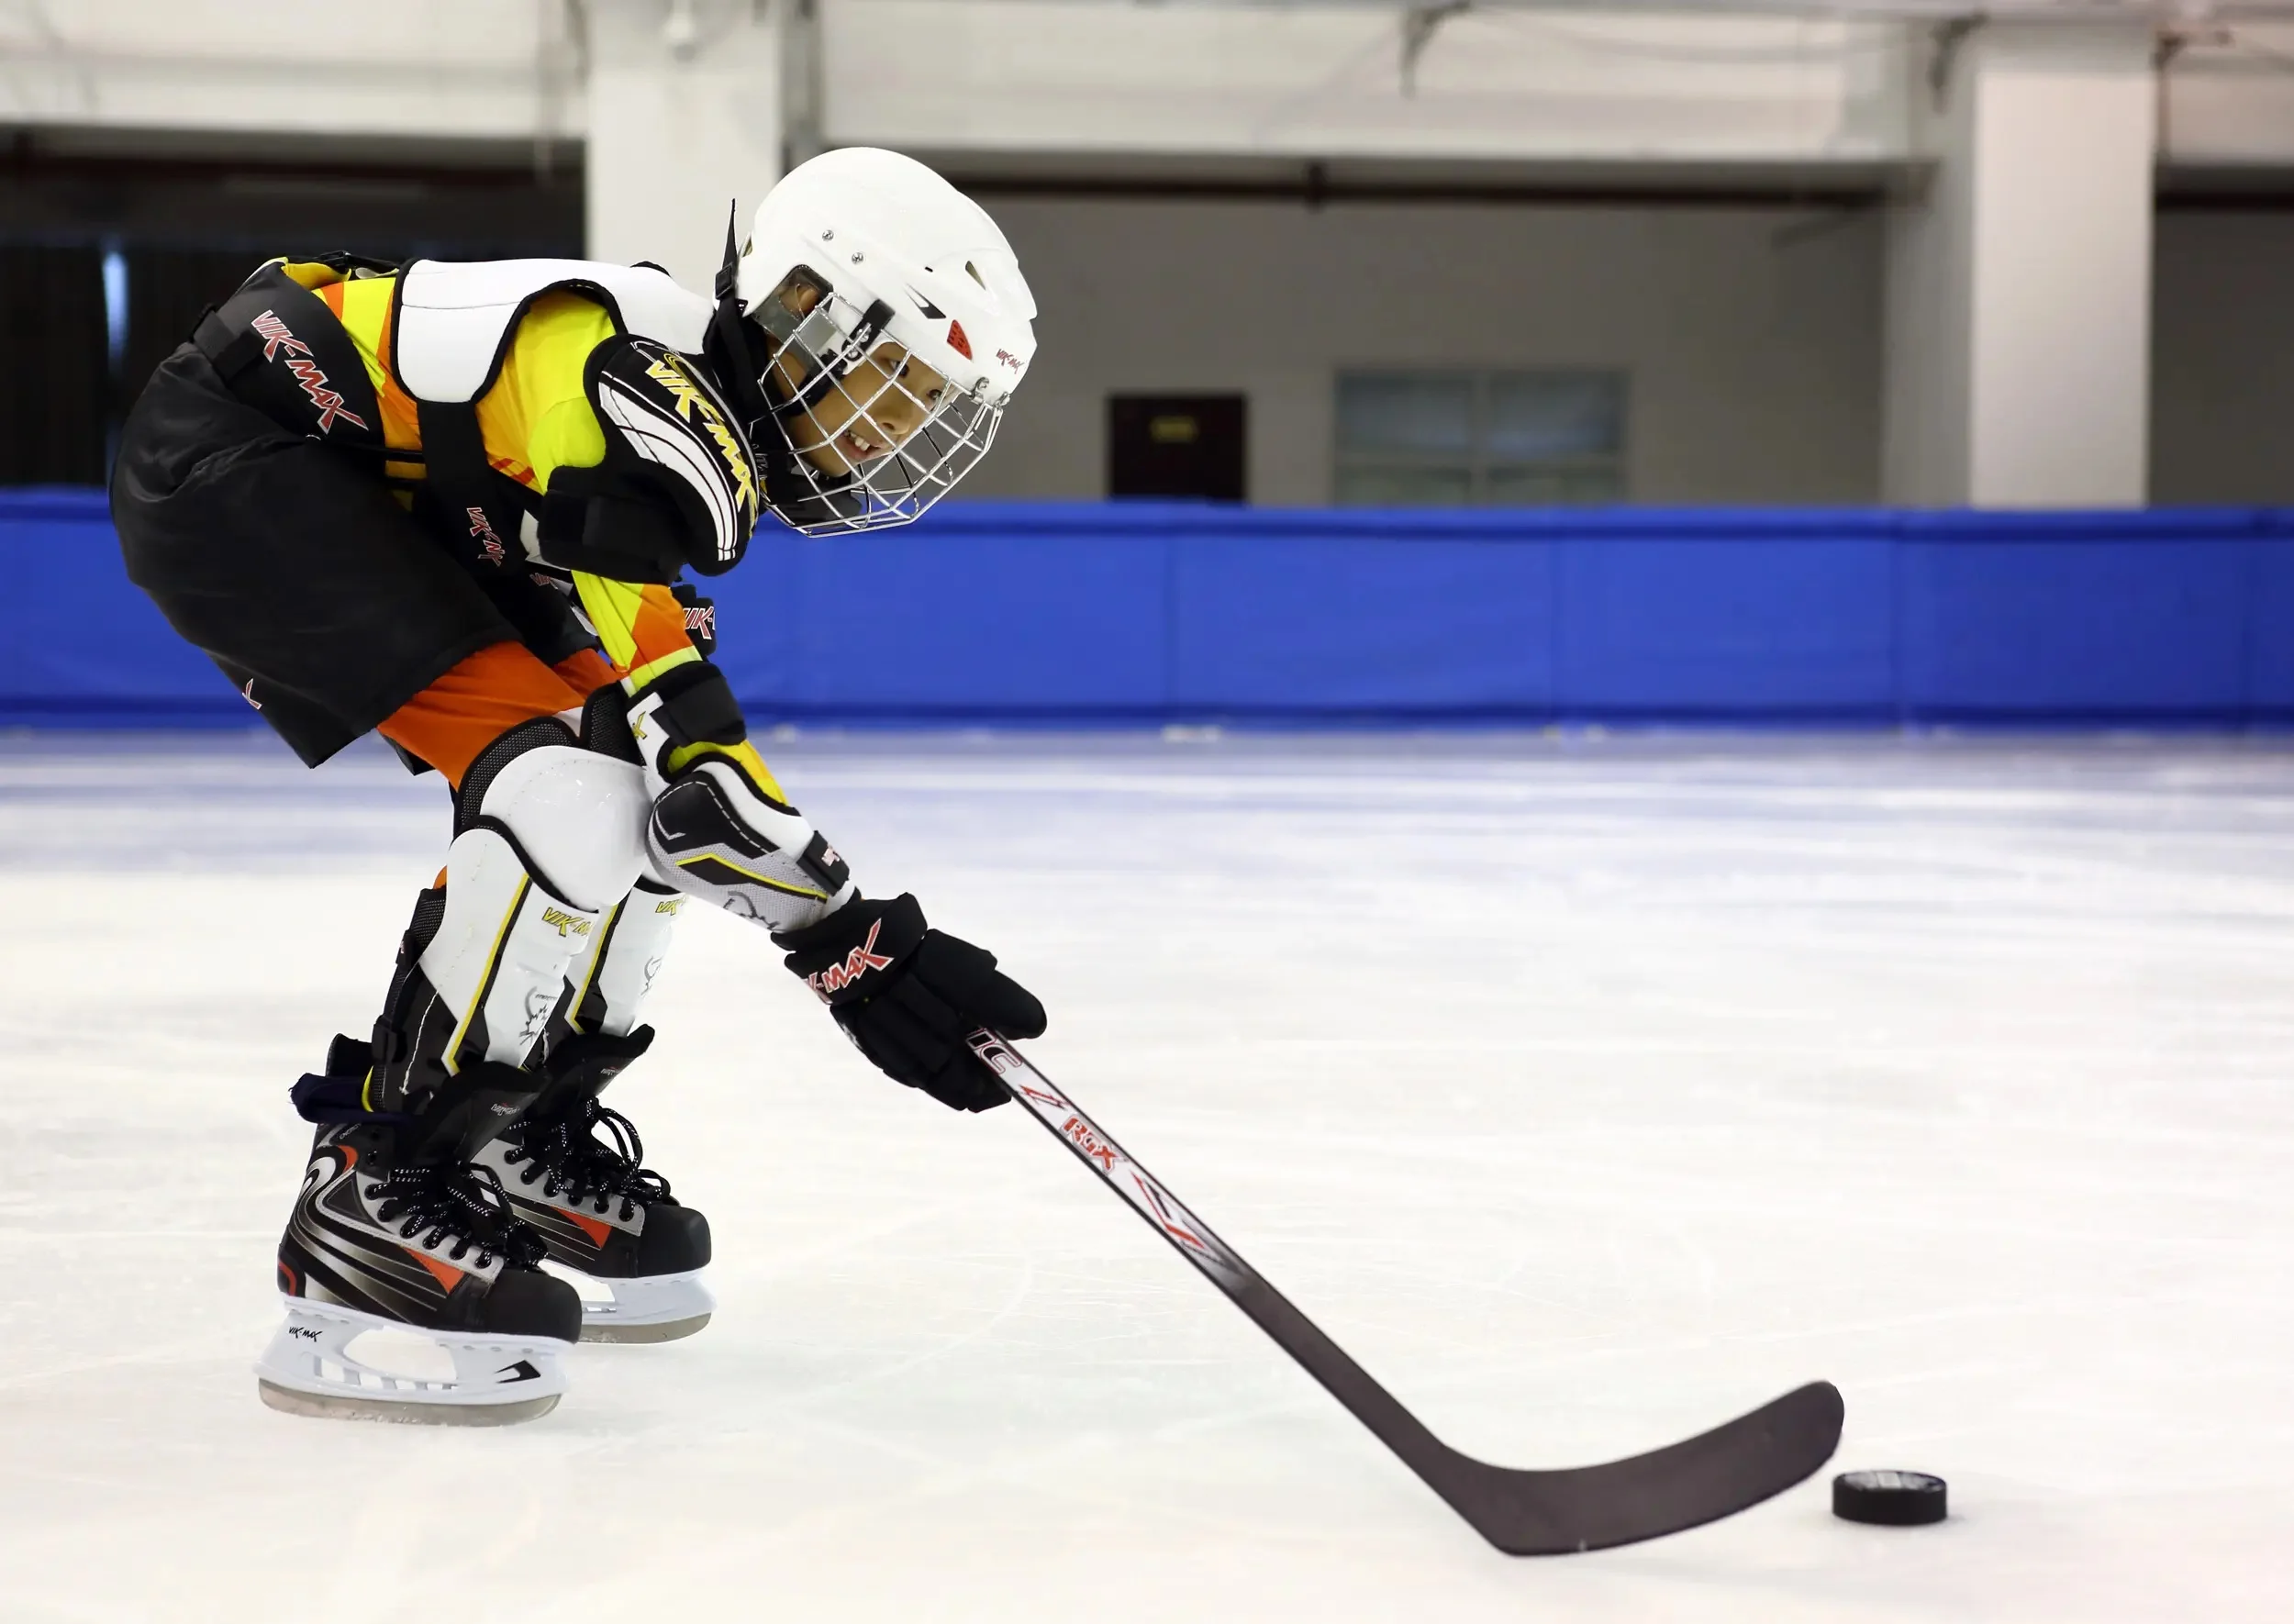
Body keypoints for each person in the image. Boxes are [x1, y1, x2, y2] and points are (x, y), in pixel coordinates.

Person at [108, 147, 1047, 1424]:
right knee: (562, 788)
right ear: (801, 313)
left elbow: (686, 776)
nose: (889, 435)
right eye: (886, 383)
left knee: (618, 796)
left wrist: (848, 943)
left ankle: (509, 1132)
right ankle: (373, 1188)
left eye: (921, 410)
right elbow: (696, 744)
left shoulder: (678, 417)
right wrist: (842, 938)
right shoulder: (626, 380)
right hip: (244, 458)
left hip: (388, 502)